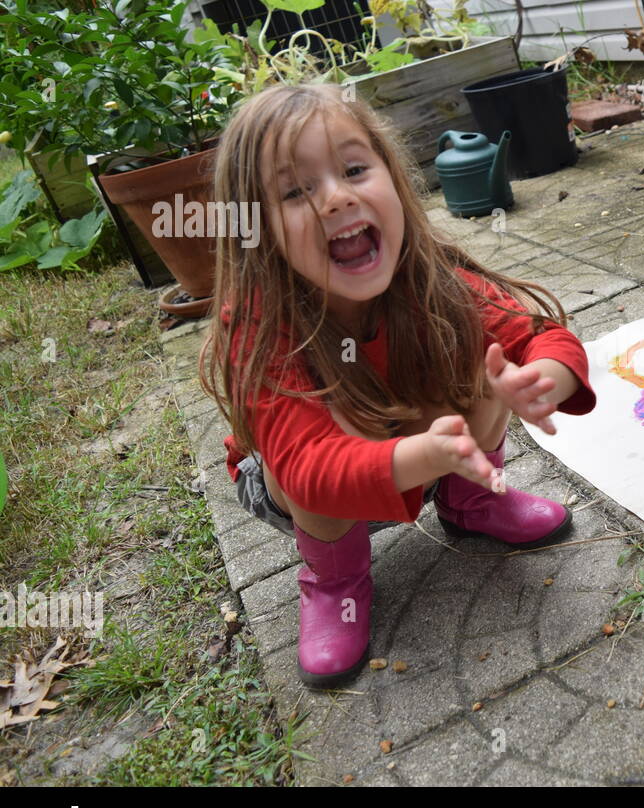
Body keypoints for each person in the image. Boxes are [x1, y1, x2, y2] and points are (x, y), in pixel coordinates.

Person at [197, 83, 596, 689]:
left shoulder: (432, 277)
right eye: (294, 191)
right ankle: (335, 582)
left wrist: (542, 377)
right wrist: (424, 455)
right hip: (313, 494)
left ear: (394, 178)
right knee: (297, 447)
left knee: (485, 359)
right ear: (258, 234)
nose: (335, 198)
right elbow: (307, 470)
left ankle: (473, 501)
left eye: (354, 169)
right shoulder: (260, 323)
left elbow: (538, 334)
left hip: (422, 453)